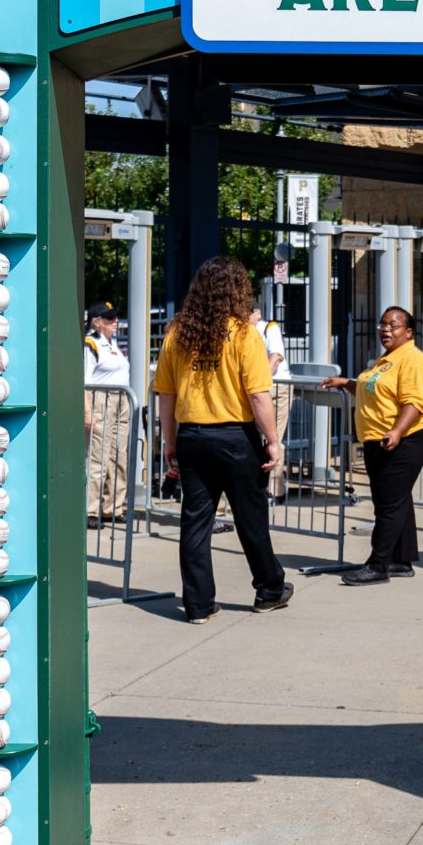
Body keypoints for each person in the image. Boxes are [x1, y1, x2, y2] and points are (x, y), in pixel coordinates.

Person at [152, 257, 292, 623]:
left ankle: (198, 604)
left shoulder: (177, 334)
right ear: (237, 291)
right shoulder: (245, 335)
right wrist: (273, 440)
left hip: (193, 436)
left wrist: (169, 441)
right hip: (235, 436)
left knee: (195, 523)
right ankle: (269, 589)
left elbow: (165, 395)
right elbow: (259, 396)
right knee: (250, 519)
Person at [321, 307, 423, 586]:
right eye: (382, 324)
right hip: (378, 438)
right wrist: (346, 383)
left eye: (393, 326)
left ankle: (378, 564)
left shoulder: (413, 360)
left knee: (388, 504)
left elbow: (415, 403)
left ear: (409, 332)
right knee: (397, 499)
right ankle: (401, 560)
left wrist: (397, 431)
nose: (385, 330)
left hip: (405, 438)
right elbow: (371, 389)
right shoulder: (387, 360)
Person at [83, 303, 130, 528]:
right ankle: (90, 509)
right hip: (100, 399)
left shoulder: (113, 344)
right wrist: (87, 410)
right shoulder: (90, 343)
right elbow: (84, 379)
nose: (115, 322)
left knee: (118, 455)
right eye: (110, 319)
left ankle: (113, 506)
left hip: (120, 400)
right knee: (98, 456)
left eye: (116, 318)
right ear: (96, 322)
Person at [254, 306, 292, 504]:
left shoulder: (269, 327)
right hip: (256, 391)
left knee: (274, 438)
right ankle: (258, 486)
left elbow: (275, 356)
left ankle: (274, 491)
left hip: (276, 389)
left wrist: (260, 382)